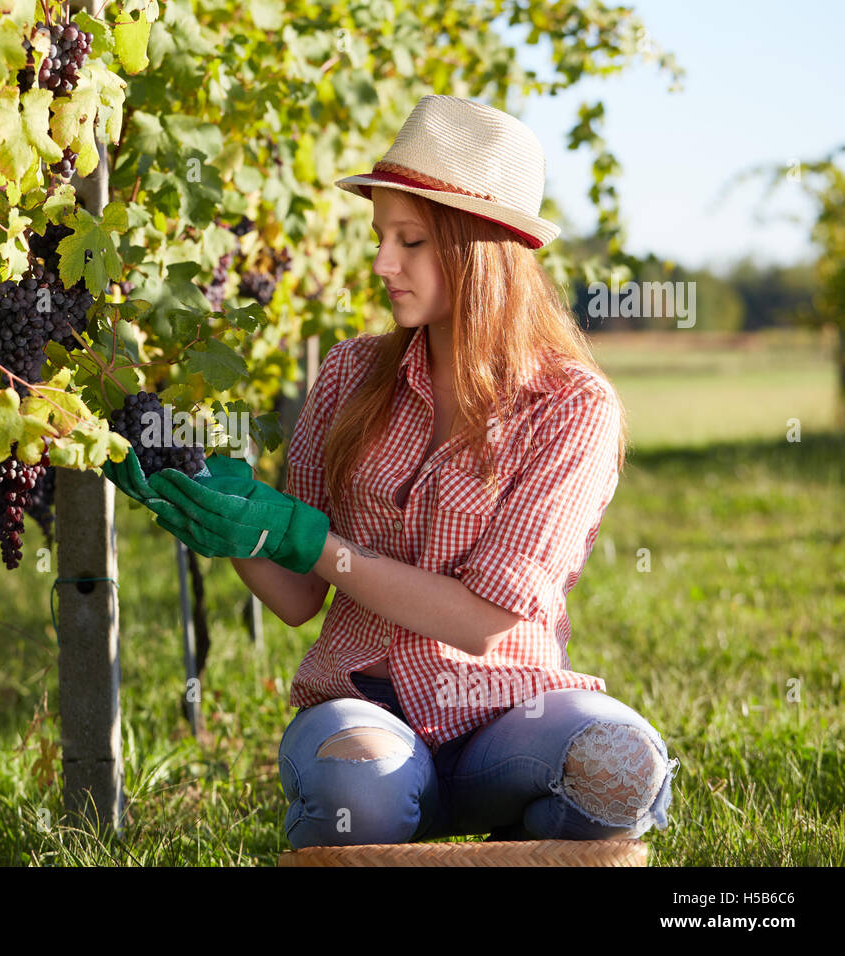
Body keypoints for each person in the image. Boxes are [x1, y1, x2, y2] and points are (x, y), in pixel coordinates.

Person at [104, 94, 680, 848]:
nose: (382, 264)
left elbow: (484, 621)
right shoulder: (349, 374)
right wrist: (225, 523)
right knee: (357, 790)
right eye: (382, 237)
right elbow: (299, 595)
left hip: (509, 713)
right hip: (363, 708)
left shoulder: (572, 407)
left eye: (410, 241)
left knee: (621, 764)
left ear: (482, 248)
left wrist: (315, 542)